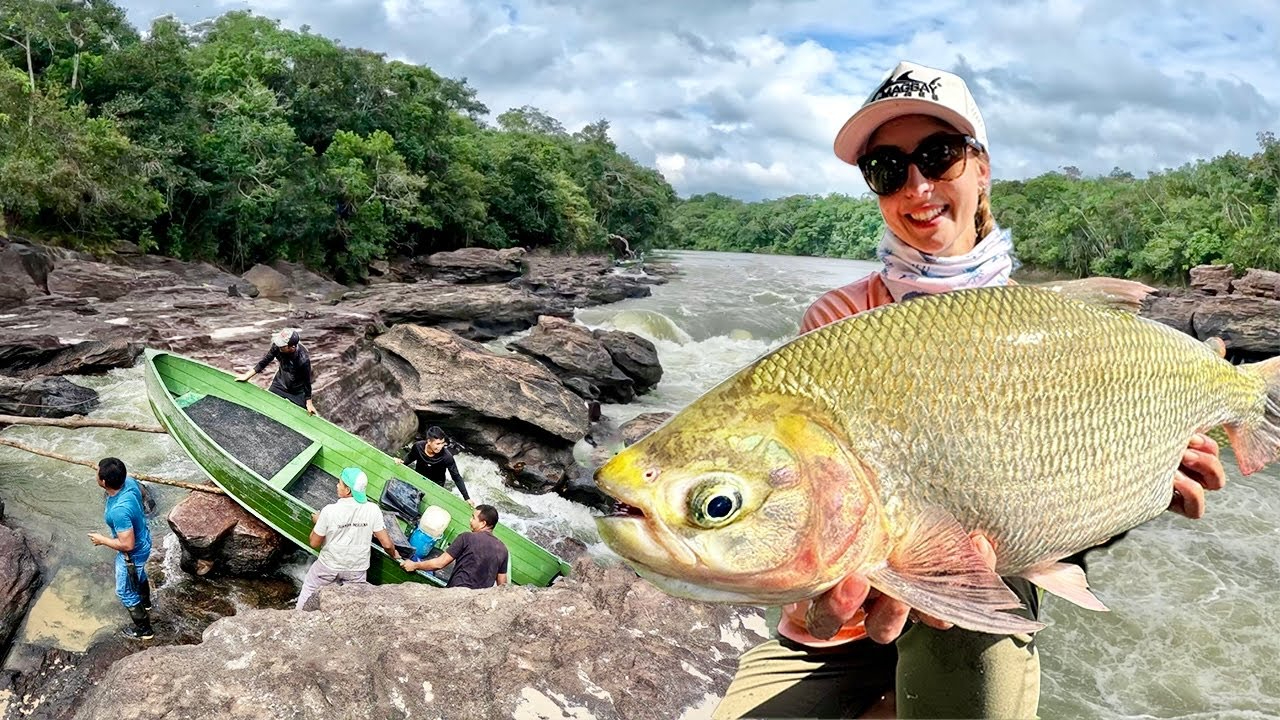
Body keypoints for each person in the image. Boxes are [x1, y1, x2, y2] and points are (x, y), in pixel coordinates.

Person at [713, 60, 1228, 720]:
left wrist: (1148, 485)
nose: (918, 184)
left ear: (981, 168)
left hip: (978, 603)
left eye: (938, 154)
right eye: (888, 169)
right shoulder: (838, 324)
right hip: (837, 629)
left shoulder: (1059, 331)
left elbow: (1064, 505)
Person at [297, 467, 401, 610]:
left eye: (340, 483)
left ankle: (298, 615)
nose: (337, 485)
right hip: (356, 569)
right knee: (352, 603)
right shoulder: (373, 509)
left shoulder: (329, 511)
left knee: (309, 587)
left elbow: (314, 542)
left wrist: (318, 521)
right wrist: (395, 555)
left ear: (348, 490)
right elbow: (387, 544)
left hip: (328, 566)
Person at [88, 457, 154, 640]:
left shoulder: (118, 511)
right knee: (139, 574)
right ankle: (146, 603)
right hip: (145, 539)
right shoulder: (130, 483)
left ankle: (144, 630)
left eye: (98, 473)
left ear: (104, 482)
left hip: (132, 552)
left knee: (124, 591)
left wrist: (102, 540)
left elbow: (127, 544)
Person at [399, 504, 508, 589]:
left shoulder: (467, 538)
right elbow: (502, 586)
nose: (470, 520)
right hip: (478, 604)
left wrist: (414, 565)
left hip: (455, 594)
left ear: (483, 523)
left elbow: (439, 563)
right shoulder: (503, 550)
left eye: (473, 518)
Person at [235, 327, 317, 415]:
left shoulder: (303, 359)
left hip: (298, 391)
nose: (279, 346)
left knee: (305, 414)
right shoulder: (277, 346)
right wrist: (247, 376)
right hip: (280, 383)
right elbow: (265, 361)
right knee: (266, 406)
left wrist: (309, 402)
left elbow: (306, 382)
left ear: (292, 346)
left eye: (282, 345)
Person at [396, 426, 475, 506]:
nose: (440, 447)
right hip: (419, 478)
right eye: (437, 444)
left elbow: (456, 477)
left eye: (442, 443)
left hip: (436, 485)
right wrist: (402, 462)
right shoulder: (418, 446)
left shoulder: (447, 457)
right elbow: (410, 457)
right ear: (429, 441)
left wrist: (466, 497)